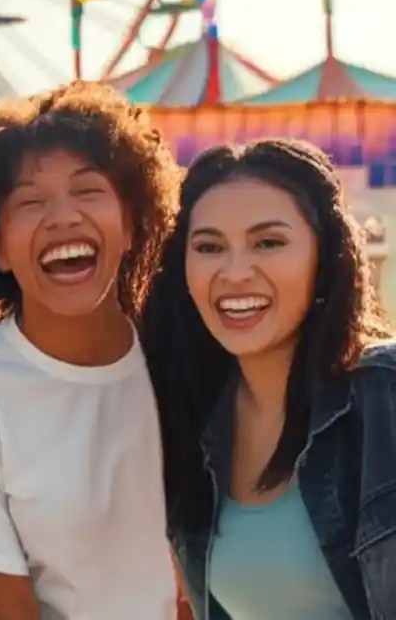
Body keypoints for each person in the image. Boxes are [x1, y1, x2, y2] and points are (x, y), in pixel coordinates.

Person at [0, 82, 183, 619]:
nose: (63, 218)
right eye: (31, 202)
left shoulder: (184, 368)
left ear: (130, 224)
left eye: (88, 191)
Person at [141, 138, 396, 620]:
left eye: (269, 242)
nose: (235, 272)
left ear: (324, 258)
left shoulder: (385, 393)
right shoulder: (191, 426)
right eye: (209, 247)